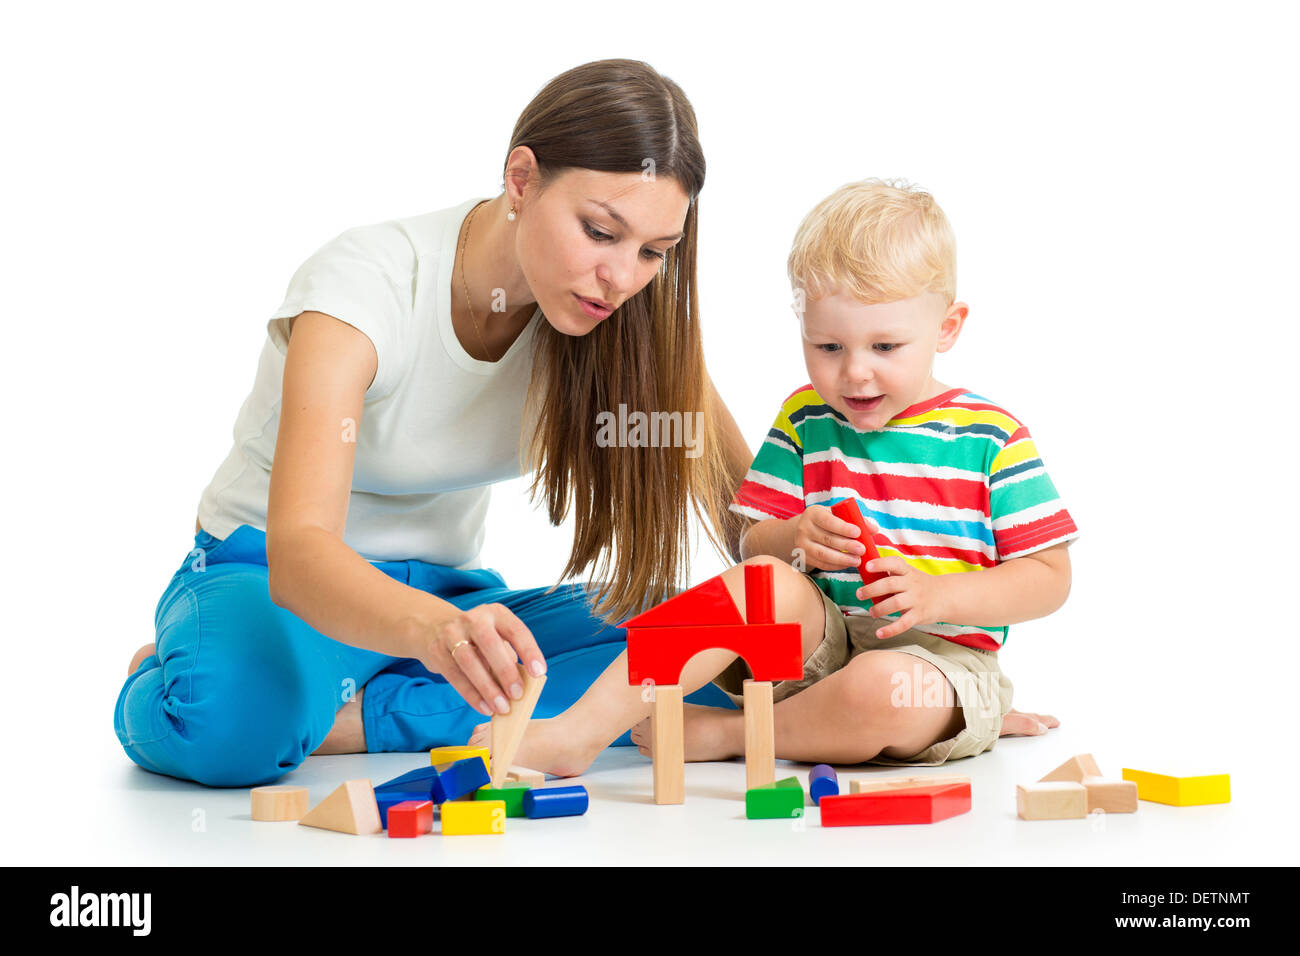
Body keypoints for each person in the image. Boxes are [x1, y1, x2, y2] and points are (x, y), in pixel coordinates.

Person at [113, 58, 755, 788]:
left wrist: (826, 560)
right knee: (224, 725)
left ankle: (346, 719)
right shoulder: (364, 286)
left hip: (455, 603)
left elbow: (751, 513)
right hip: (273, 583)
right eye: (600, 232)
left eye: (652, 253)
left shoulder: (622, 323)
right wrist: (431, 631)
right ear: (521, 179)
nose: (623, 277)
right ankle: (185, 679)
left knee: (720, 658)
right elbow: (301, 553)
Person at [485, 178, 1072, 776]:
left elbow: (1050, 578)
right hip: (822, 648)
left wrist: (938, 593)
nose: (855, 374)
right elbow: (751, 543)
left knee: (883, 686)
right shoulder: (805, 419)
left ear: (946, 328)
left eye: (886, 346)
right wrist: (792, 535)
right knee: (759, 581)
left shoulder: (991, 438)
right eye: (828, 345)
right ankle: (578, 731)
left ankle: (734, 733)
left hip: (941, 664)